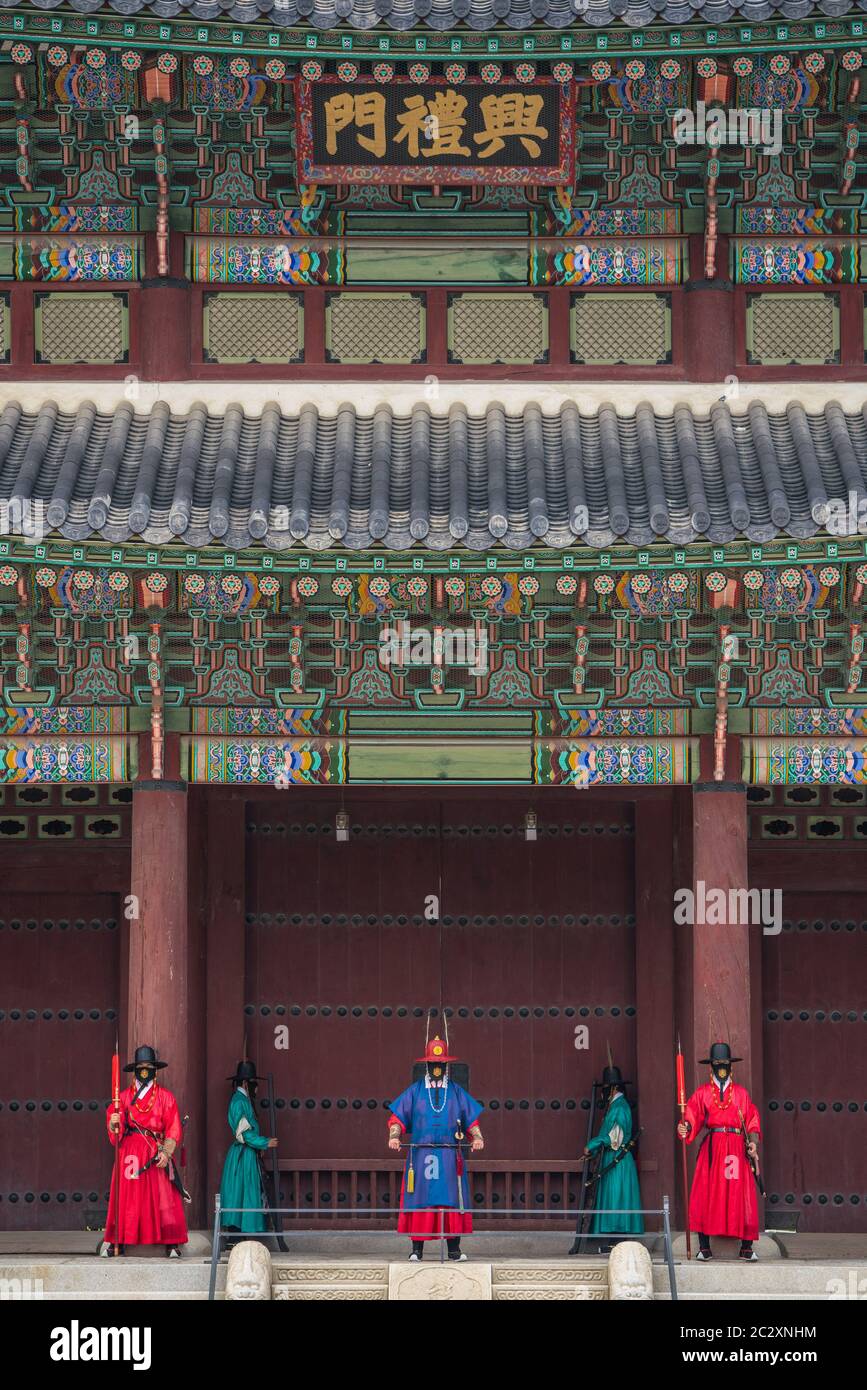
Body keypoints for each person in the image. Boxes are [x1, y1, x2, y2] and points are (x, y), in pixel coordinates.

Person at [387, 1034, 484, 1262]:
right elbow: (397, 1119)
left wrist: (477, 1137)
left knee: (452, 1200)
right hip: (421, 1155)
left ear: (446, 1065)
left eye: (441, 1064)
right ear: (427, 1066)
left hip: (450, 1155)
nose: (437, 1067)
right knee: (420, 1199)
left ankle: (453, 1250)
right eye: (433, 1064)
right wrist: (395, 1136)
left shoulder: (457, 1091)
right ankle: (416, 1250)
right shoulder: (415, 1091)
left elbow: (472, 1120)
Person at [677, 1041, 762, 1261]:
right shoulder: (703, 1093)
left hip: (735, 1146)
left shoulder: (741, 1094)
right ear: (711, 1067)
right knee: (704, 1191)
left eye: (725, 1063)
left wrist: (752, 1141)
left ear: (731, 1066)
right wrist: (686, 1126)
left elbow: (752, 1118)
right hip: (713, 1147)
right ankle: (704, 1246)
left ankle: (746, 1246)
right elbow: (693, 1114)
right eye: (717, 1064)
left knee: (740, 1191)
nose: (721, 1068)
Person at [102, 1044, 189, 1257]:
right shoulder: (121, 1098)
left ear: (155, 1070)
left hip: (156, 1151)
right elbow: (117, 1133)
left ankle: (171, 1243)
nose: (144, 1070)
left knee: (164, 1197)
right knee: (128, 1199)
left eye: (148, 1066)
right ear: (134, 1070)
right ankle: (119, 1241)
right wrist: (114, 1122)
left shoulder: (166, 1097)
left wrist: (166, 1152)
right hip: (129, 1153)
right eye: (141, 1066)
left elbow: (174, 1128)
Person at [583, 1062, 643, 1246]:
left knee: (617, 1198)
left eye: (606, 1088)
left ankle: (617, 1240)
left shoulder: (620, 1107)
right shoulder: (615, 1106)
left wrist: (592, 1145)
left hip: (618, 1160)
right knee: (613, 1199)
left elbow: (613, 1137)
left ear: (613, 1088)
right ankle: (613, 1240)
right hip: (613, 1160)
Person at [219, 1059, 277, 1235]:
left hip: (248, 1155)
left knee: (246, 1193)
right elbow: (243, 1133)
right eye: (254, 1084)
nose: (257, 1089)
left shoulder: (244, 1100)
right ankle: (235, 1235)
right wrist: (264, 1142)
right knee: (239, 1193)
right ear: (246, 1083)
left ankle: (245, 1233)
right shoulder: (238, 1102)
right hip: (242, 1156)